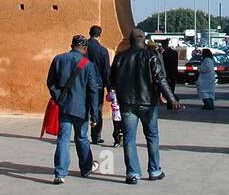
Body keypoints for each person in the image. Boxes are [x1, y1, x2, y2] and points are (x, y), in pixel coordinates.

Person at [110, 29, 181, 184]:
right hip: (148, 103)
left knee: (129, 138)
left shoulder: (120, 57)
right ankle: (154, 171)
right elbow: (160, 79)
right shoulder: (151, 57)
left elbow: (112, 80)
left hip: (127, 103)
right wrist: (171, 99)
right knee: (152, 136)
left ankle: (132, 173)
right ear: (143, 39)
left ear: (130, 40)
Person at [45, 34, 103, 184]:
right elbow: (93, 90)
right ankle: (86, 168)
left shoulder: (59, 59)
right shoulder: (88, 64)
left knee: (63, 138)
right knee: (81, 137)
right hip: (81, 108)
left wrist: (58, 97)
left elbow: (50, 82)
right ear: (84, 49)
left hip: (64, 106)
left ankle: (60, 172)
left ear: (72, 46)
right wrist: (95, 113)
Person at [85, 24, 112, 144]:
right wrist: (109, 86)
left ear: (89, 33)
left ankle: (82, 134)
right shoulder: (102, 50)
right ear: (100, 35)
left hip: (83, 83)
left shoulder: (83, 48)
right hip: (97, 84)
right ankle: (95, 136)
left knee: (84, 108)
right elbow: (106, 70)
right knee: (97, 110)